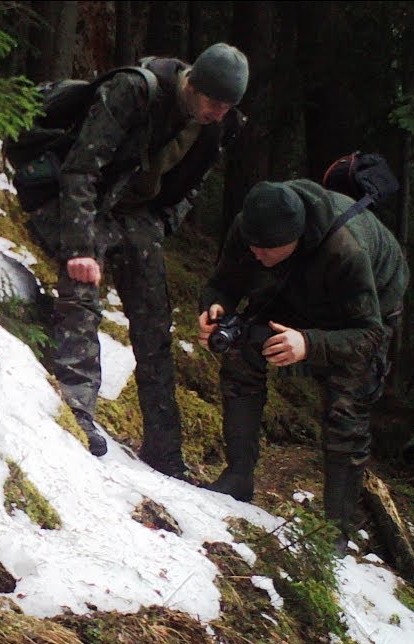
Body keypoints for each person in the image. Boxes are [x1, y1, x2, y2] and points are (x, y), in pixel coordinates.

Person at [23, 43, 249, 480]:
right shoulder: (135, 91)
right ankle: (78, 411)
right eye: (213, 102)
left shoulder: (218, 127)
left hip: (138, 216)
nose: (218, 113)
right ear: (192, 84)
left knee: (154, 324)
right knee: (83, 288)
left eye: (227, 106)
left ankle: (165, 451)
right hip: (81, 205)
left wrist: (159, 226)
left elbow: (190, 189)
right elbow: (81, 170)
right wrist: (81, 246)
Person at [196, 178, 408, 553]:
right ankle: (238, 476)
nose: (254, 253)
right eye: (252, 246)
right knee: (240, 349)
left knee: (347, 411)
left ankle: (335, 532)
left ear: (295, 238)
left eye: (265, 249)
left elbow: (368, 334)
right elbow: (222, 284)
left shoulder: (347, 249)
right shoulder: (253, 229)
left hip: (360, 314)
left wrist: (309, 343)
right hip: (293, 289)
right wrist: (215, 308)